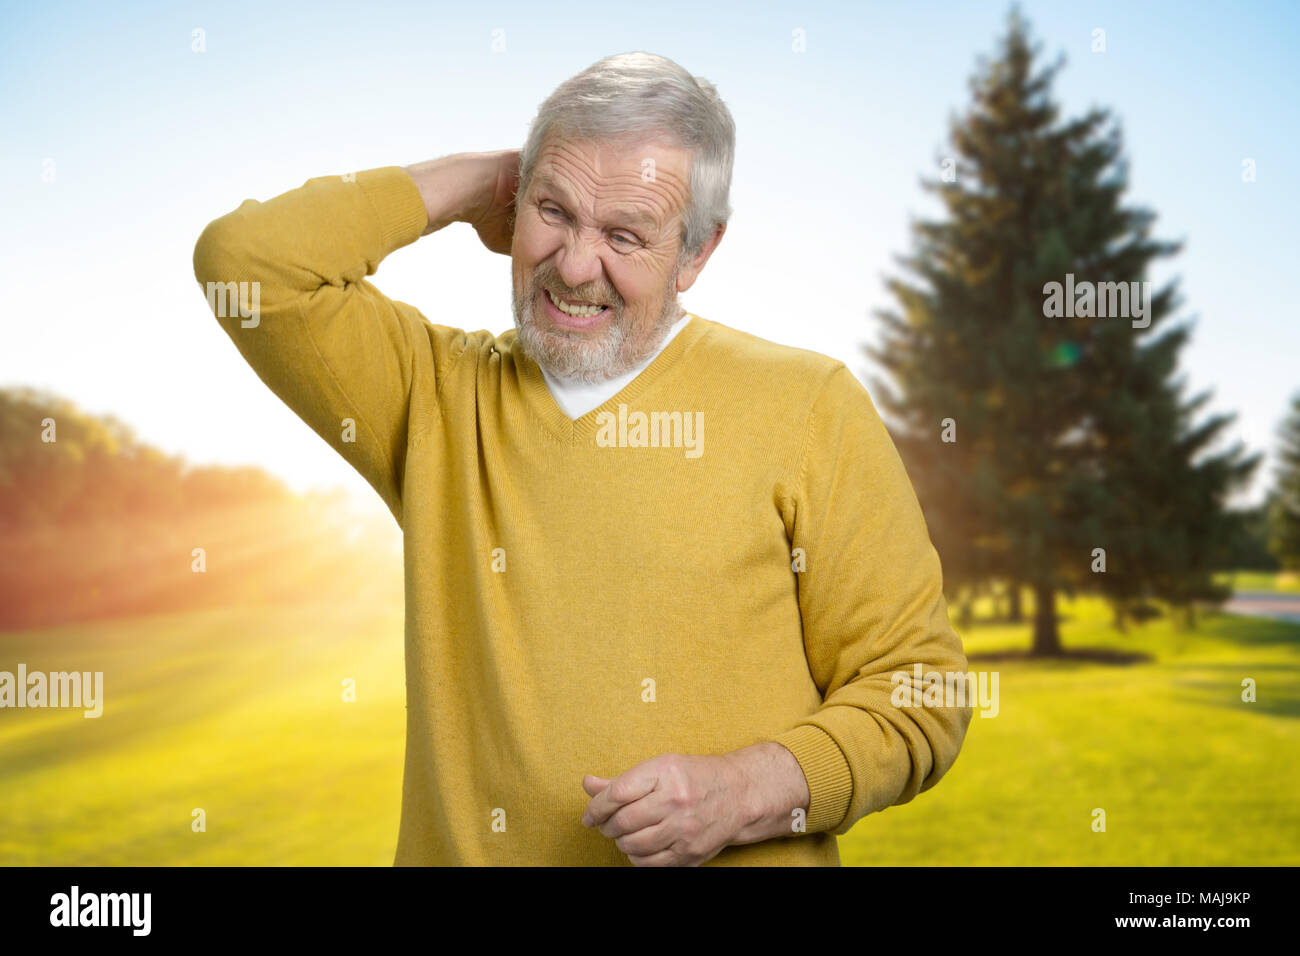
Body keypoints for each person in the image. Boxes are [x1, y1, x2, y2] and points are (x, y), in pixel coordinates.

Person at [192, 51, 972, 866]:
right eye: (553, 211)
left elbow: (921, 690)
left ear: (697, 254)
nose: (572, 265)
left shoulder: (808, 406)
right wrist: (474, 182)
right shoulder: (434, 395)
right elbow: (244, 266)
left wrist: (745, 792)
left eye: (624, 236)